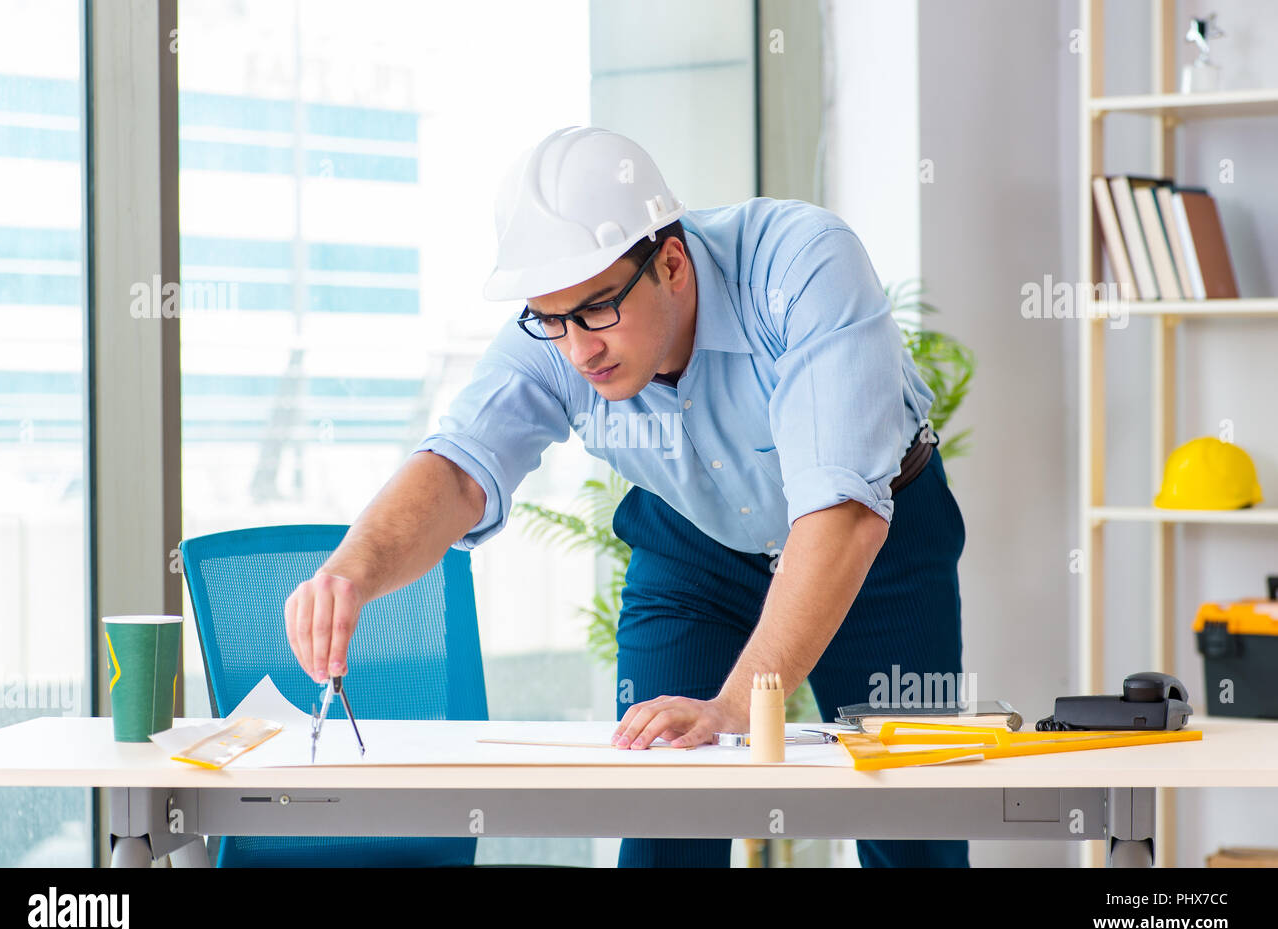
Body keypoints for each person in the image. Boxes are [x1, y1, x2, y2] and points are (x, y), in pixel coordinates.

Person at [284, 126, 969, 868]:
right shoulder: (559, 338)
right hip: (692, 547)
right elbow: (457, 469)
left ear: (670, 263)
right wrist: (352, 569)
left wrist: (738, 707)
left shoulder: (803, 265)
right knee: (662, 804)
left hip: (874, 540)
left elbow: (840, 513)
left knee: (914, 823)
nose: (580, 349)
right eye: (552, 319)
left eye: (598, 310)